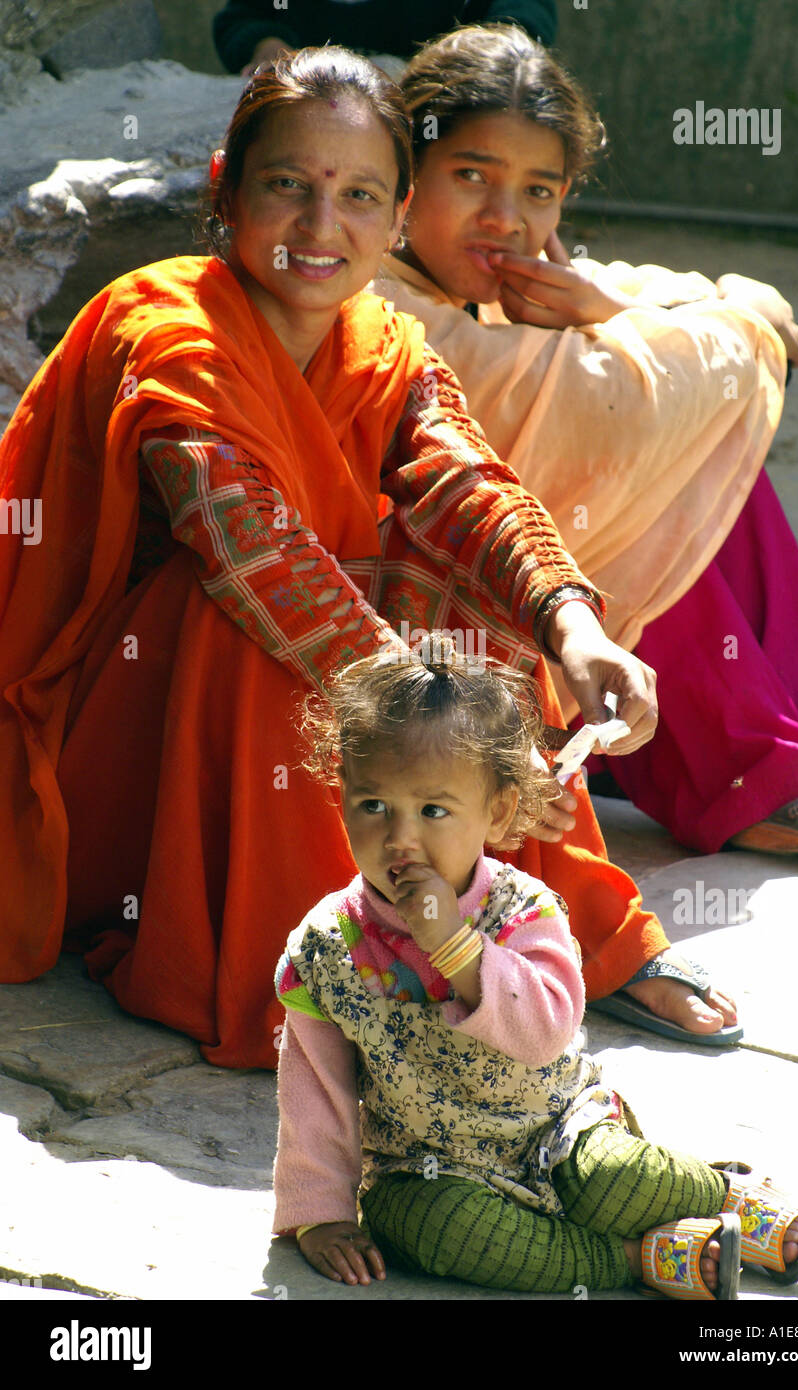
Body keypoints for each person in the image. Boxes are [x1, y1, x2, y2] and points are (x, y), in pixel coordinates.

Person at [0, 47, 715, 1069]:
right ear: (224, 192)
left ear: (396, 213)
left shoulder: (380, 339)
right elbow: (255, 555)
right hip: (119, 744)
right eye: (288, 186)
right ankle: (304, 971)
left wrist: (575, 625)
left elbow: (466, 482)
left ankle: (568, 934)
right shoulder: (165, 327)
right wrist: (472, 746)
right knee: (240, 626)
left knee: (467, 593)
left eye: (359, 196)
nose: (320, 228)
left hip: (304, 695)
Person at [370, 22, 798, 871]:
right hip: (412, 610)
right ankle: (749, 776)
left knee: (694, 433)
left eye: (539, 191)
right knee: (642, 456)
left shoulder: (508, 287)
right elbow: (618, 402)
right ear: (405, 176)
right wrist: (735, 325)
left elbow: (690, 308)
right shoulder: (380, 293)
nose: (506, 217)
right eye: (471, 176)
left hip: (515, 612)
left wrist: (606, 309)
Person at [273, 637, 798, 1297]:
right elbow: (315, 1093)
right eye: (373, 806)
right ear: (341, 794)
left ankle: (724, 1196)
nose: (400, 837)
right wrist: (321, 1215)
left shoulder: (523, 909)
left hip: (558, 1130)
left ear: (497, 811)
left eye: (433, 811)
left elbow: (545, 1032)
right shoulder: (324, 947)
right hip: (429, 1167)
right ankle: (635, 1257)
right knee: (433, 1231)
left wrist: (456, 948)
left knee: (615, 1179)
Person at [211, 1, 557, 77]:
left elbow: (525, 20)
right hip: (311, 108)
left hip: (434, 114)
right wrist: (267, 47)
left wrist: (463, 63)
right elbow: (242, 17)